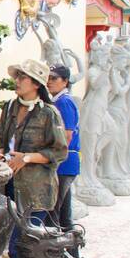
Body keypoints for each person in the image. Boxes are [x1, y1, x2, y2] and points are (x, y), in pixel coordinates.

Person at [0, 59, 69, 258]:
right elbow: (1, 139)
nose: (17, 81)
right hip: (8, 183)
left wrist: (26, 158)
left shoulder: (48, 113)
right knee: (2, 240)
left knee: (24, 243)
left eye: (22, 77)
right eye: (16, 76)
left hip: (35, 189)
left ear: (36, 83)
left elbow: (59, 151)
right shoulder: (9, 107)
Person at [47, 63, 79, 228]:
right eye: (48, 78)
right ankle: (72, 251)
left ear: (65, 81)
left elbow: (67, 134)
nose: (49, 81)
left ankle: (55, 249)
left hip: (64, 163)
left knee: (53, 211)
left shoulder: (64, 102)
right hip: (64, 163)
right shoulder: (57, 101)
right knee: (64, 214)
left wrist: (53, 159)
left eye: (54, 78)